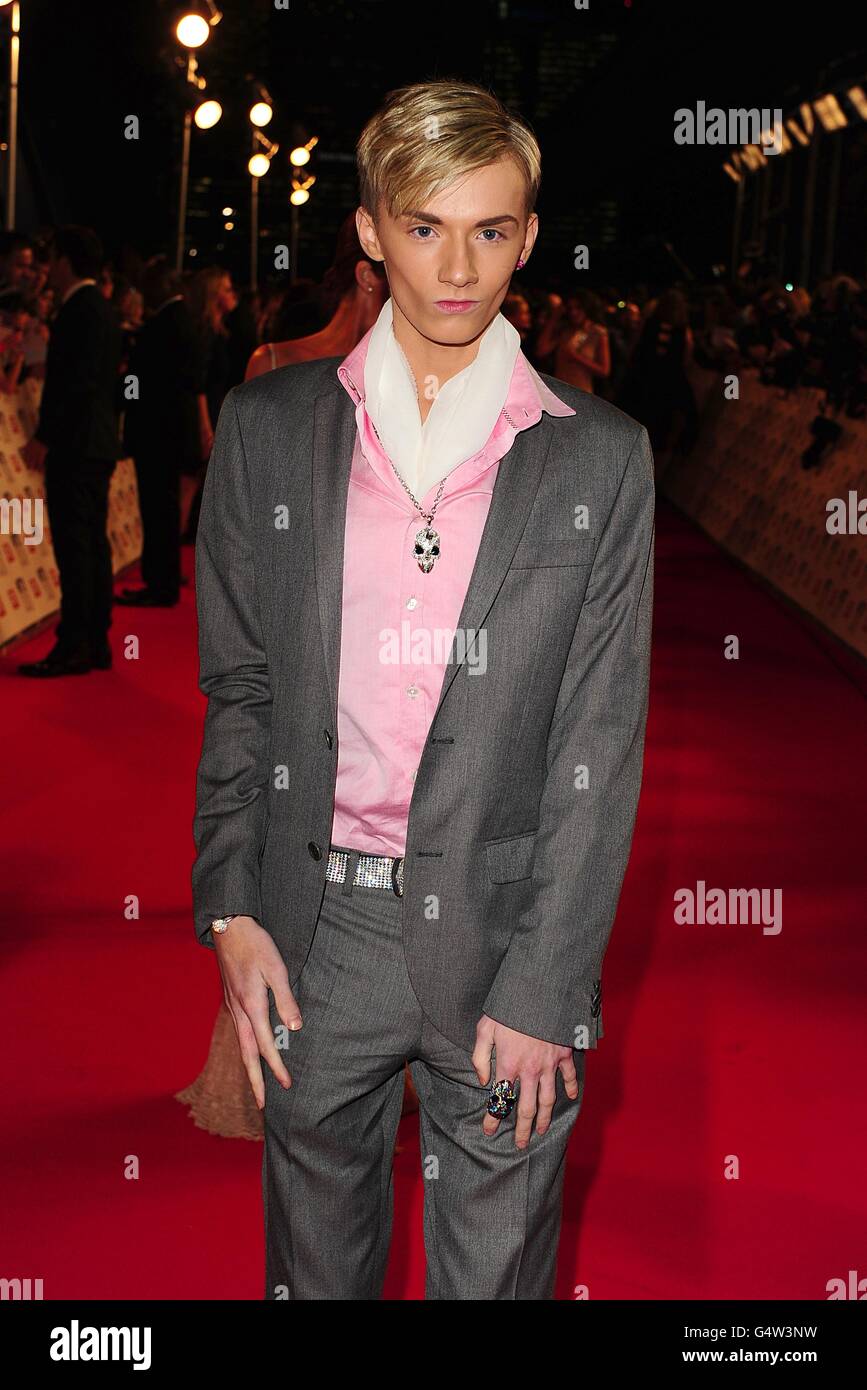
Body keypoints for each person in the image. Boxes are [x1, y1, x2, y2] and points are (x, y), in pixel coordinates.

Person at [191, 78, 654, 1300]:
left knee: (495, 1278)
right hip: (313, 930)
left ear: (529, 238)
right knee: (315, 1273)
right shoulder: (268, 427)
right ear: (369, 228)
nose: (458, 267)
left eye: (491, 230)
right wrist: (233, 908)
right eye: (424, 226)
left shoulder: (601, 455)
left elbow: (596, 739)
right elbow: (238, 687)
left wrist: (551, 983)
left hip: (507, 943)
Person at [177, 211, 391, 1141]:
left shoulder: (287, 364)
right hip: (294, 675)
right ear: (369, 264)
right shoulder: (277, 378)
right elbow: (238, 667)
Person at [18, 225, 122, 677]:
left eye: (51, 257)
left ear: (65, 261)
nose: (46, 267)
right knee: (92, 545)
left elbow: (71, 386)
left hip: (76, 447)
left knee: (77, 547)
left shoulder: (80, 310)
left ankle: (75, 644)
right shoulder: (101, 308)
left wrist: (46, 434)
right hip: (95, 444)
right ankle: (94, 641)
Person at [116, 257, 204, 607]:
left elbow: (142, 383)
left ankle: (160, 583)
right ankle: (162, 580)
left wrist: (122, 391)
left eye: (149, 284)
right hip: (172, 433)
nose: (144, 292)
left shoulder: (164, 325)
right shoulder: (182, 321)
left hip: (158, 434)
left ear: (164, 286)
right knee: (164, 509)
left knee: (158, 510)